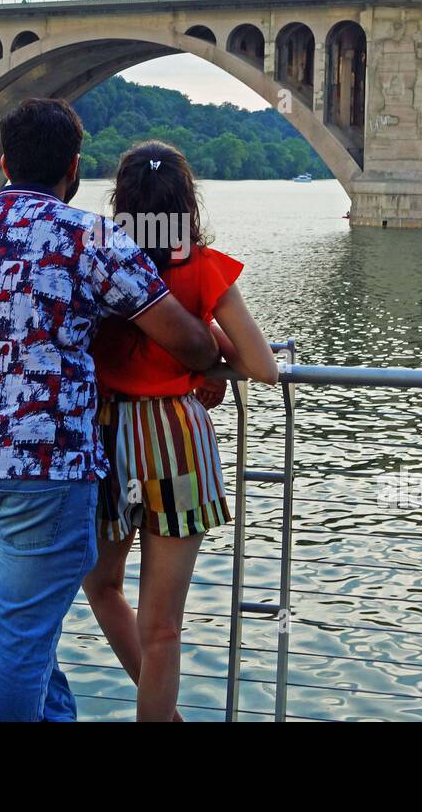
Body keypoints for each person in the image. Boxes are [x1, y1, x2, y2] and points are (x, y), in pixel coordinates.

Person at [0, 98, 219, 722]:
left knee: (11, 630)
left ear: (4, 163)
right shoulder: (91, 237)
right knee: (24, 641)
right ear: (75, 169)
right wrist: (211, 344)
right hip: (43, 470)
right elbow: (189, 343)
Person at [84, 140, 279, 721]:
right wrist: (210, 354)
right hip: (176, 441)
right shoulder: (202, 268)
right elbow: (263, 367)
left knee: (103, 586)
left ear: (121, 201)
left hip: (109, 437)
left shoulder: (96, 261)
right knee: (164, 626)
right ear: (186, 202)